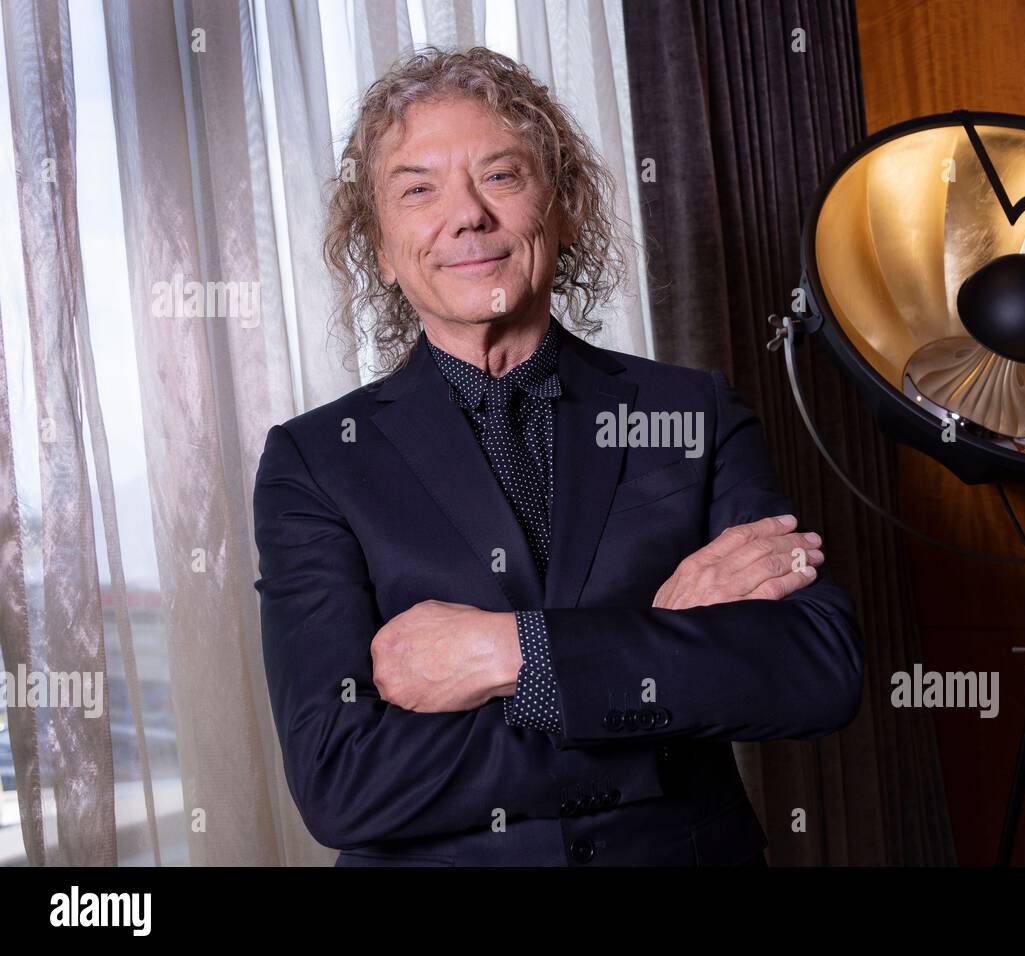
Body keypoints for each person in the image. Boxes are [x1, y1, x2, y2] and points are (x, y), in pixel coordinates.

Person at [252, 46, 864, 867]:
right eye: (418, 189)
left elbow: (816, 670)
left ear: (565, 206)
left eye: (500, 176)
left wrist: (513, 653)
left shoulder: (692, 412)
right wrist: (659, 651)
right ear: (383, 248)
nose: (466, 215)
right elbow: (343, 782)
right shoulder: (316, 461)